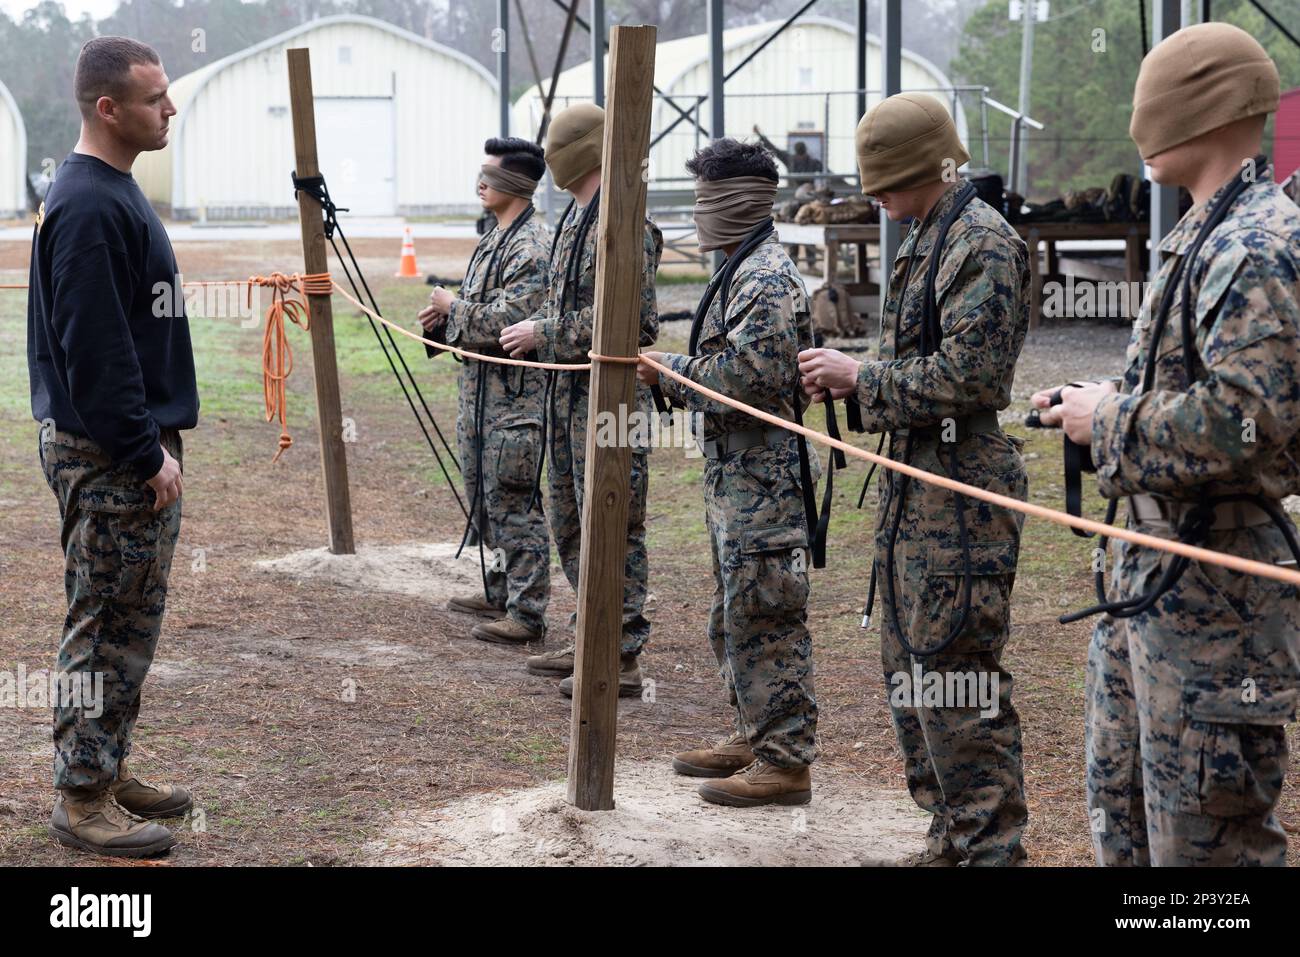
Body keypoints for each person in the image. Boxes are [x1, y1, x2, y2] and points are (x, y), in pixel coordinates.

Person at [1032, 23, 1300, 866]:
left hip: (1217, 606)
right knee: (1132, 833)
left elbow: (1243, 424)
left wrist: (1106, 420)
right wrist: (1097, 402)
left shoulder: (1254, 246)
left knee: (1209, 858)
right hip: (1150, 586)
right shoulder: (1200, 236)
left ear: (1202, 113)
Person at [798, 93, 1030, 865]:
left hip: (961, 495)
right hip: (918, 488)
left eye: (885, 182)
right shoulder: (926, 233)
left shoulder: (980, 243)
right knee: (913, 679)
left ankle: (989, 846)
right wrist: (854, 381)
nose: (874, 199)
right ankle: (949, 834)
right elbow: (916, 364)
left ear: (929, 164)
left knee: (957, 679)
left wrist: (862, 376)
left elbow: (974, 374)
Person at [30, 36, 197, 857]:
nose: (170, 108)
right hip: (110, 456)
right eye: (154, 97)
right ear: (109, 108)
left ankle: (106, 760)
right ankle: (81, 796)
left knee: (129, 622)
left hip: (124, 449)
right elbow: (95, 351)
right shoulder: (90, 204)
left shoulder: (110, 189)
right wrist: (145, 453)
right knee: (102, 625)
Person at [640, 138, 818, 807]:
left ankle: (785, 760)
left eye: (706, 200)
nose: (698, 215)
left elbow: (750, 375)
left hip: (765, 480)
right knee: (736, 611)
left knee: (768, 611)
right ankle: (755, 731)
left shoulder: (765, 277)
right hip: (737, 476)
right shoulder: (741, 267)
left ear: (737, 203)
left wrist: (667, 370)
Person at [498, 103, 663, 698]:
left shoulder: (625, 221)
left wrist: (545, 333)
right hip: (566, 398)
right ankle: (591, 633)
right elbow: (565, 306)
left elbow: (632, 322)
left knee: (614, 523)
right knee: (571, 521)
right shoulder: (574, 218)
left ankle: (619, 656)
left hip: (609, 401)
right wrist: (541, 326)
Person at [424, 137, 552, 645]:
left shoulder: (531, 246)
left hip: (515, 404)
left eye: (491, 175)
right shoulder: (494, 237)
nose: (481, 183)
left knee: (513, 500)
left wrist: (452, 308)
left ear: (516, 184)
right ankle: (498, 588)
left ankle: (526, 610)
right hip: (480, 399)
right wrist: (441, 321)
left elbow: (508, 322)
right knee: (485, 496)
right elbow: (478, 315)